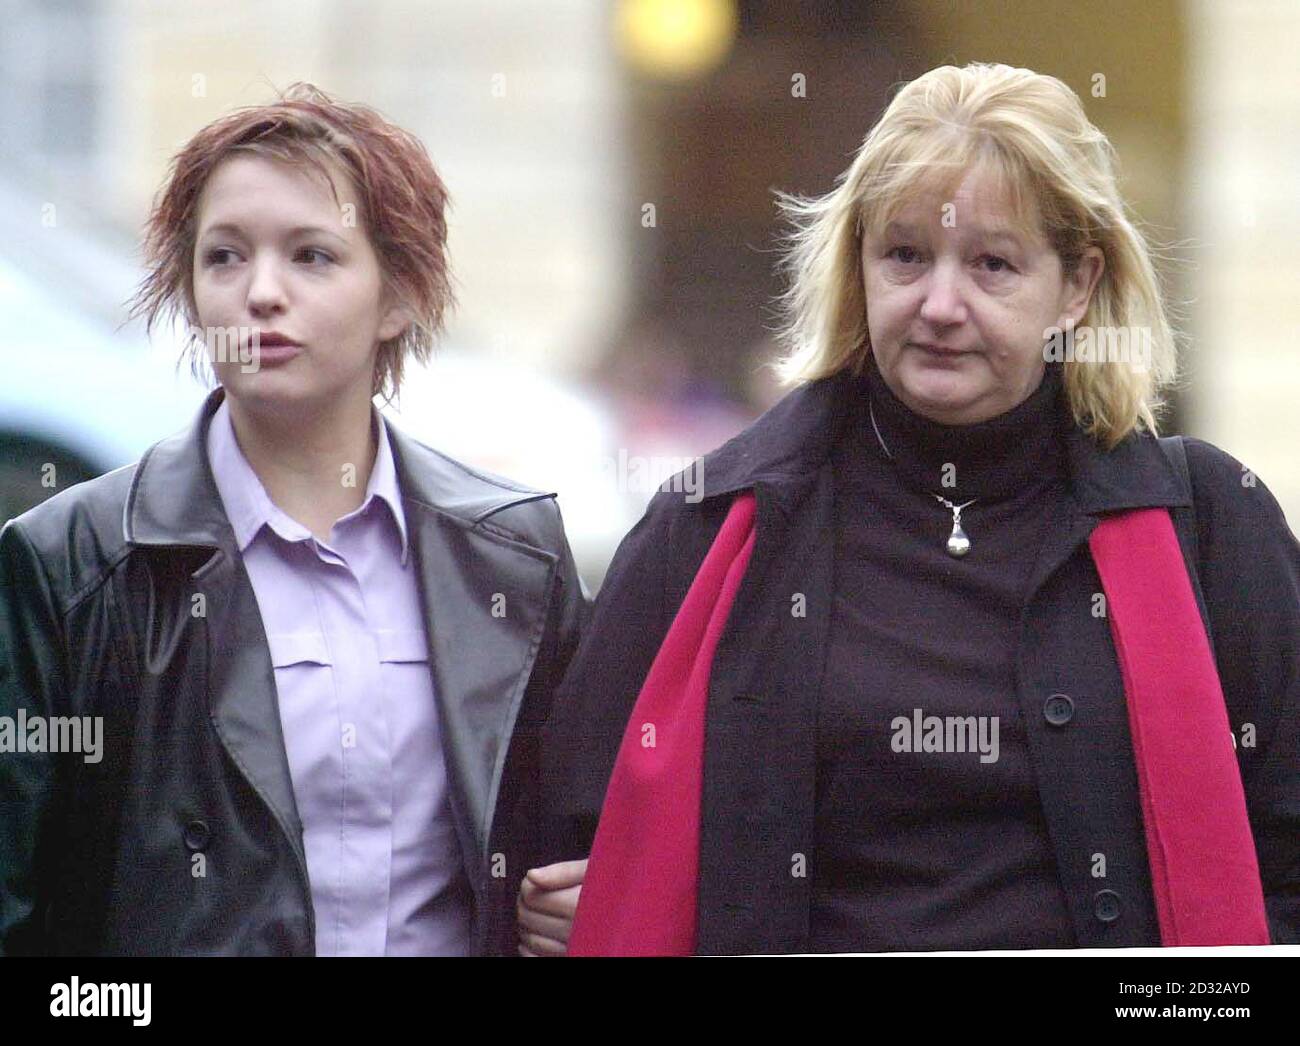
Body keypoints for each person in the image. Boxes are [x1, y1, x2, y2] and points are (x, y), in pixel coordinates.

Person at [519, 62, 1299, 955]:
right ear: (857, 263)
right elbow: (571, 845)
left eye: (992, 265)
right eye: (904, 255)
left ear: (1077, 288)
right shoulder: (712, 525)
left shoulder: (1208, 525)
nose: (939, 305)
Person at [0, 83, 587, 956]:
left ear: (399, 296)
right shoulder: (76, 562)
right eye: (225, 257)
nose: (260, 294)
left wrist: (591, 903)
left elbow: (577, 829)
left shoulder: (511, 556)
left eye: (312, 256)